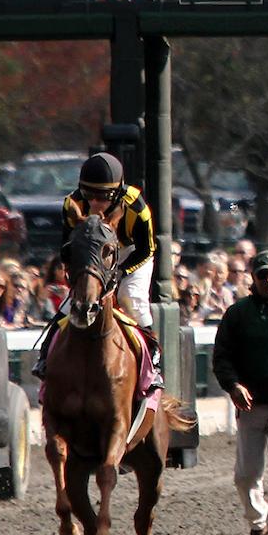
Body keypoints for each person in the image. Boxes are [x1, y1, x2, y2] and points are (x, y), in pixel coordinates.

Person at [34, 153, 163, 403]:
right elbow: (67, 247)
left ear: (116, 193)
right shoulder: (72, 204)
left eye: (102, 197)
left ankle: (154, 368)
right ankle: (44, 359)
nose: (94, 202)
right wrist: (78, 276)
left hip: (130, 253)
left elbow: (147, 250)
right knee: (72, 304)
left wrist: (121, 273)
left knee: (131, 298)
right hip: (92, 254)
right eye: (89, 195)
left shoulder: (138, 209)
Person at [212, 249, 268, 535]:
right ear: (254, 279)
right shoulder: (237, 314)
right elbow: (222, 357)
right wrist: (232, 385)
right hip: (251, 406)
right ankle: (258, 522)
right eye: (263, 276)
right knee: (247, 474)